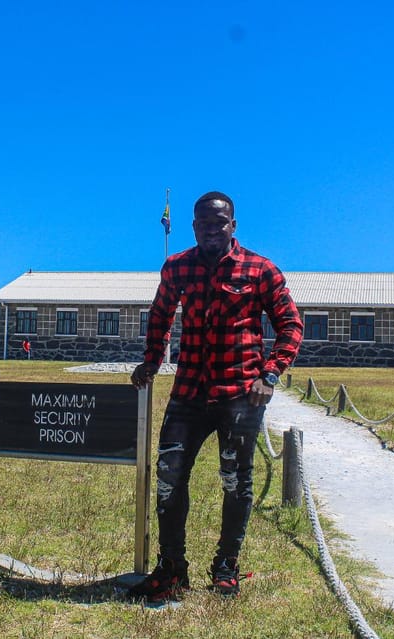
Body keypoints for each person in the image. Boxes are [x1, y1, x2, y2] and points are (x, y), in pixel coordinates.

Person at [129, 191, 303, 601]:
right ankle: (172, 569)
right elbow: (159, 316)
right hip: (188, 393)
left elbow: (291, 326)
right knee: (169, 476)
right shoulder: (177, 267)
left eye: (219, 222)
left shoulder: (261, 270)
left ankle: (226, 567)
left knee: (235, 482)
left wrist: (271, 373)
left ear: (233, 226)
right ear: (193, 226)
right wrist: (151, 362)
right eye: (204, 223)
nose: (211, 229)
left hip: (240, 396)